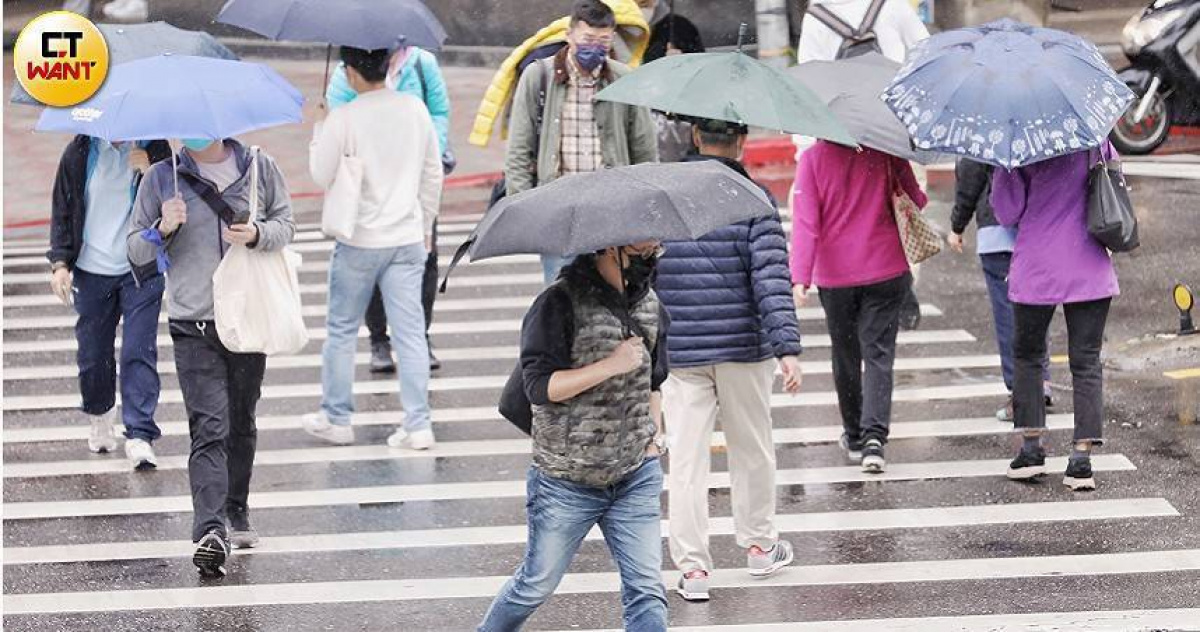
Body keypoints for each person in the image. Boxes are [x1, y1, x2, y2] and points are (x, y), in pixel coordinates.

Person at [478, 242, 670, 632]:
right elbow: (539, 388)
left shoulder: (649, 305)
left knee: (647, 590)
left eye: (657, 243)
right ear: (610, 246)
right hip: (566, 481)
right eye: (644, 242)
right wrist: (610, 365)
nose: (653, 250)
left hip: (635, 474)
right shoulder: (557, 303)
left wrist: (654, 438)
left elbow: (654, 381)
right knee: (534, 585)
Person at [128, 137, 296, 576]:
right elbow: (134, 251)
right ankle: (210, 530)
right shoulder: (161, 178)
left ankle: (235, 507)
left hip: (247, 316)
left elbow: (286, 225)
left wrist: (259, 234)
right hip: (193, 321)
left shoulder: (260, 167)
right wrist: (161, 229)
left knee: (241, 420)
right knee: (209, 426)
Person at [655, 118, 803, 602]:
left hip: (683, 350)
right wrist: (787, 348)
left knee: (686, 460)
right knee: (752, 449)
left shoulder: (665, 193)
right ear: (741, 143)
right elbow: (770, 280)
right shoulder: (754, 198)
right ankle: (759, 546)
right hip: (744, 347)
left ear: (696, 138)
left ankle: (693, 570)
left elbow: (648, 273)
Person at [304, 46, 444, 451]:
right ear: (388, 65)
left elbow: (320, 173)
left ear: (349, 73)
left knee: (342, 331)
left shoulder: (344, 117)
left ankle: (337, 417)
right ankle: (418, 424)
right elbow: (432, 172)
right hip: (406, 238)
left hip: (359, 240)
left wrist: (320, 126)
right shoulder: (414, 110)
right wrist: (426, 225)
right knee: (411, 333)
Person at [790, 141, 927, 474]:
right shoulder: (886, 151)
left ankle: (853, 434)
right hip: (885, 267)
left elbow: (806, 221)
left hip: (835, 276)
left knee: (845, 353)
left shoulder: (813, 159)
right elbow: (917, 200)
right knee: (879, 353)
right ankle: (874, 438)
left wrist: (800, 277)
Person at [992, 143, 1121, 492]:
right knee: (1086, 361)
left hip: (1038, 266)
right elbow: (1115, 183)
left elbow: (1007, 212)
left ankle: (1032, 449)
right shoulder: (1095, 139)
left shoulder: (1020, 146)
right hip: (1089, 264)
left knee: (1029, 355)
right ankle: (1081, 460)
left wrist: (1002, 170)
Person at [795, 0, 929, 330]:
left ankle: (864, 288)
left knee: (843, 217)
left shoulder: (816, 17)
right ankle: (900, 283)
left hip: (840, 133)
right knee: (903, 209)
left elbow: (805, 87)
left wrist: (806, 147)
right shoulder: (892, 6)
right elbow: (927, 55)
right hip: (896, 131)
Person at [505, 0, 659, 284]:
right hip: (558, 214)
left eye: (603, 41)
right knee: (559, 303)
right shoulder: (539, 76)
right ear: (570, 35)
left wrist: (645, 211)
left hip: (613, 213)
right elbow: (518, 150)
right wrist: (526, 210)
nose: (595, 48)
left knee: (614, 303)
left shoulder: (624, 80)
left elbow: (644, 151)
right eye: (588, 39)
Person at [326, 44, 452, 373]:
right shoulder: (347, 69)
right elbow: (340, 119)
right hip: (367, 188)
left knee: (424, 263)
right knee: (370, 264)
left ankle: (419, 336)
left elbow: (438, 111)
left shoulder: (422, 64)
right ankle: (379, 339)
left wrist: (430, 149)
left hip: (412, 184)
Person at [48, 136, 170, 467]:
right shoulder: (80, 151)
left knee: (138, 351)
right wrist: (60, 264)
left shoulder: (155, 147)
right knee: (93, 354)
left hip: (140, 269)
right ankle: (101, 414)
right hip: (91, 269)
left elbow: (172, 208)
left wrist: (150, 173)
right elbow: (62, 208)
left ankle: (140, 433)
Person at [947, 158, 1054, 421]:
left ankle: (1020, 392)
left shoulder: (985, 125)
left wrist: (957, 225)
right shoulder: (1041, 126)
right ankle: (1040, 380)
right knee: (1036, 310)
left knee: (1008, 319)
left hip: (997, 233)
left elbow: (971, 178)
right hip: (1037, 229)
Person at [636, 0, 706, 162]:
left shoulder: (679, 29)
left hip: (670, 129)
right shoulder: (611, 29)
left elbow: (700, 81)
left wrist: (680, 67)